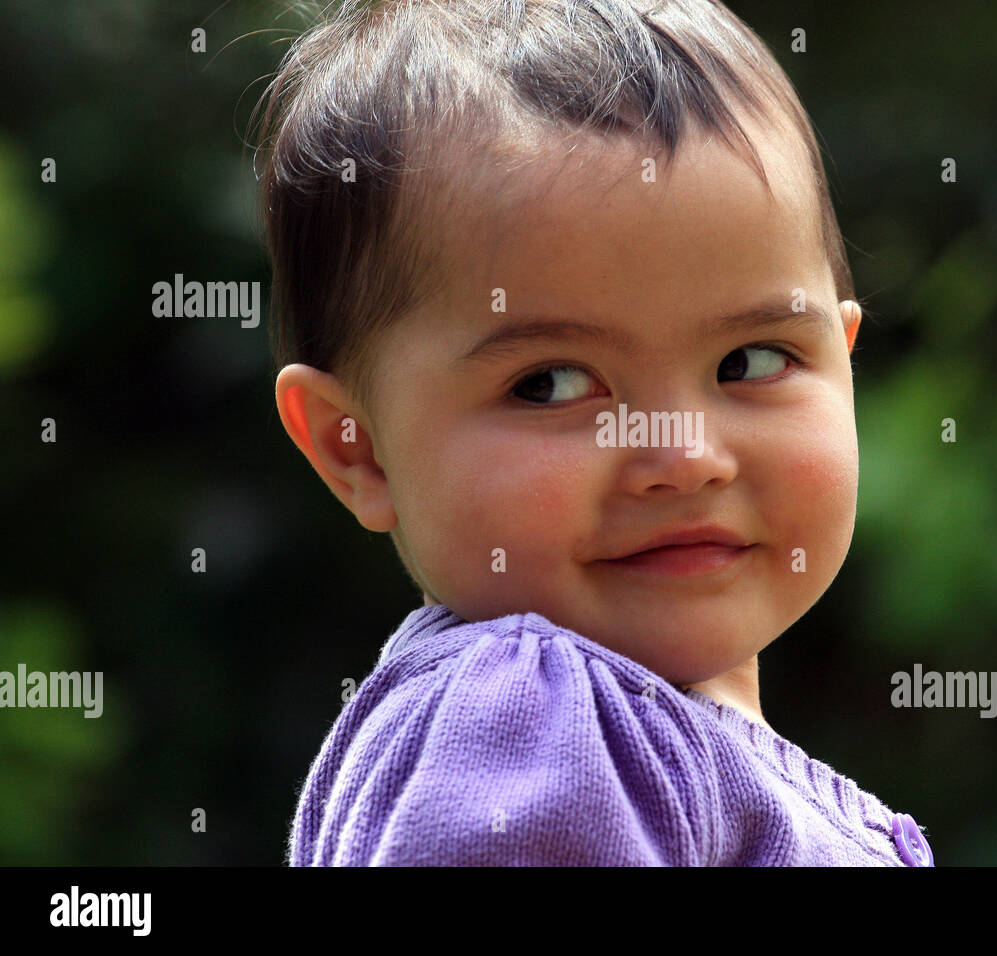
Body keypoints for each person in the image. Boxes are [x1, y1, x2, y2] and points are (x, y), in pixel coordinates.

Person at [259, 0, 933, 866]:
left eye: (749, 361)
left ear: (841, 361)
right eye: (551, 384)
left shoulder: (652, 746)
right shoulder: (528, 728)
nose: (686, 457)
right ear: (357, 446)